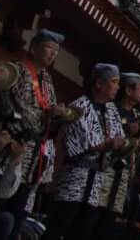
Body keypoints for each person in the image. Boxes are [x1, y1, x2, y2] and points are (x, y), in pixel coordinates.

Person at [0, 28, 67, 234]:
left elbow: (50, 109)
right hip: (15, 145)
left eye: (56, 51)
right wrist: (47, 113)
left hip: (36, 152)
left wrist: (57, 114)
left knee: (21, 204)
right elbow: (16, 108)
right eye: (49, 48)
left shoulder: (47, 79)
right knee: (3, 199)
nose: (53, 54)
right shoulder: (18, 70)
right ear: (34, 47)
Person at [45, 63, 125, 240]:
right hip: (75, 175)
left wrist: (116, 144)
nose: (117, 87)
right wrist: (108, 144)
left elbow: (120, 137)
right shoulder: (79, 106)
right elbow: (85, 143)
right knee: (61, 223)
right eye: (114, 82)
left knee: (84, 231)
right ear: (99, 84)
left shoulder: (111, 110)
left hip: (97, 179)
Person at [101, 73, 140, 240]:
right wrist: (127, 132)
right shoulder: (110, 110)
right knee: (97, 212)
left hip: (125, 174)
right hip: (105, 169)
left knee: (115, 216)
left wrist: (139, 142)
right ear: (128, 90)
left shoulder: (138, 117)